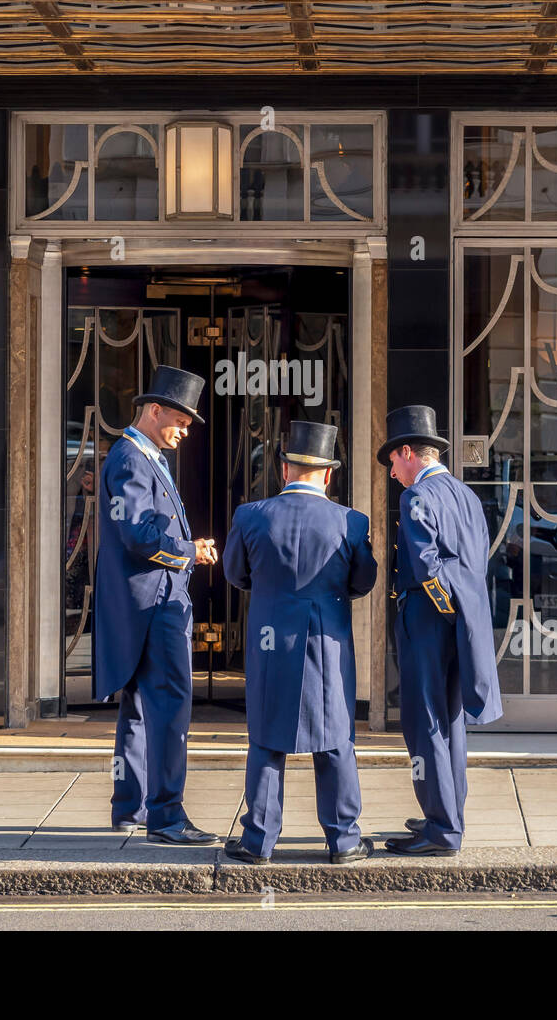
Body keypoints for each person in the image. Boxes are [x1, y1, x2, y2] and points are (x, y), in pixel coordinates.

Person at [221, 421, 378, 865]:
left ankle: (258, 841)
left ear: (284, 468)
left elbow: (235, 574)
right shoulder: (351, 520)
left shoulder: (250, 515)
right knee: (335, 739)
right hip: (327, 639)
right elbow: (363, 580)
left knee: (267, 738)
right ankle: (343, 840)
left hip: (270, 637)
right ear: (328, 474)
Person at [93, 365, 220, 845]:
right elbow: (137, 536)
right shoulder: (130, 459)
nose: (184, 431)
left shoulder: (143, 456)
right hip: (155, 603)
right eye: (180, 421)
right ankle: (166, 816)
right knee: (170, 706)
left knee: (141, 707)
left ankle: (131, 809)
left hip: (149, 599)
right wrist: (191, 552)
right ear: (153, 410)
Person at [379, 405, 502, 856]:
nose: (393, 473)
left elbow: (428, 567)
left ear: (408, 452)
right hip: (464, 619)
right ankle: (448, 812)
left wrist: (444, 610)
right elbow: (479, 559)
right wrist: (462, 614)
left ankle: (441, 827)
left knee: (423, 720)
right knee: (451, 721)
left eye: (394, 461)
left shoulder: (416, 499)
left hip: (428, 620)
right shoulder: (467, 496)